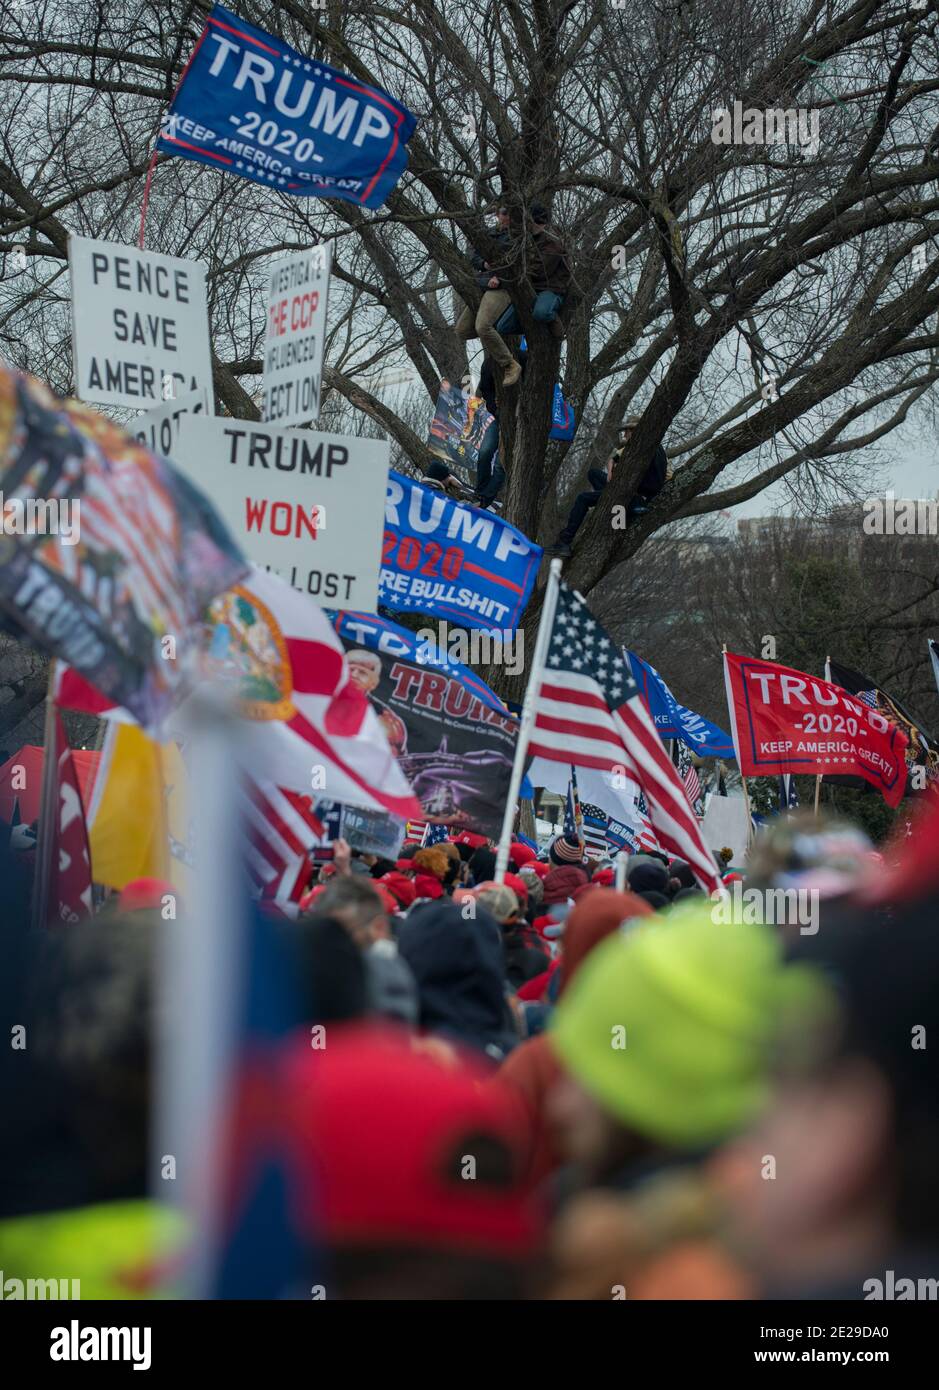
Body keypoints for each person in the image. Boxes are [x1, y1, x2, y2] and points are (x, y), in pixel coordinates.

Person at [545, 417, 669, 558]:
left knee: (583, 498)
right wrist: (611, 471)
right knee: (594, 474)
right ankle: (604, 498)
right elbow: (615, 461)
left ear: (635, 431)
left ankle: (565, 542)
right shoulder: (654, 447)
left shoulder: (640, 450)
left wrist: (616, 477)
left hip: (635, 498)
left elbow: (627, 479)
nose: (624, 435)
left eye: (627, 432)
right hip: (633, 492)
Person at [453, 206, 523, 387]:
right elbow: (473, 256)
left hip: (503, 287)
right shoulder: (489, 234)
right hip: (484, 284)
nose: (505, 217)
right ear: (498, 215)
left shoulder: (520, 237)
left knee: (482, 326)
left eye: (509, 213)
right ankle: (495, 336)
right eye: (503, 213)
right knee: (462, 330)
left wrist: (498, 276)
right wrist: (484, 264)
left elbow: (518, 265)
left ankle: (510, 364)